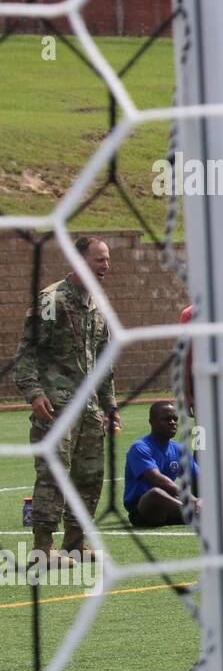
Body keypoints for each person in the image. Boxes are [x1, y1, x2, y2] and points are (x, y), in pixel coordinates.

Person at [13, 235, 120, 565]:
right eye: (99, 259)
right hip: (56, 408)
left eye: (107, 259)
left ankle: (75, 544)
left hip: (88, 409)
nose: (106, 266)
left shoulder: (99, 305)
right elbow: (26, 354)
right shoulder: (50, 299)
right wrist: (34, 393)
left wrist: (110, 406)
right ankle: (43, 551)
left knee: (89, 477)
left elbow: (104, 363)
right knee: (54, 474)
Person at [123, 402, 201, 527]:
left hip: (171, 506)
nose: (172, 423)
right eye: (166, 419)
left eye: (175, 419)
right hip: (144, 510)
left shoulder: (179, 449)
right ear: (152, 422)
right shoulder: (140, 448)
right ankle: (197, 514)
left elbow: (199, 478)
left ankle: (197, 514)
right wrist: (192, 499)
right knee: (156, 493)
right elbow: (157, 479)